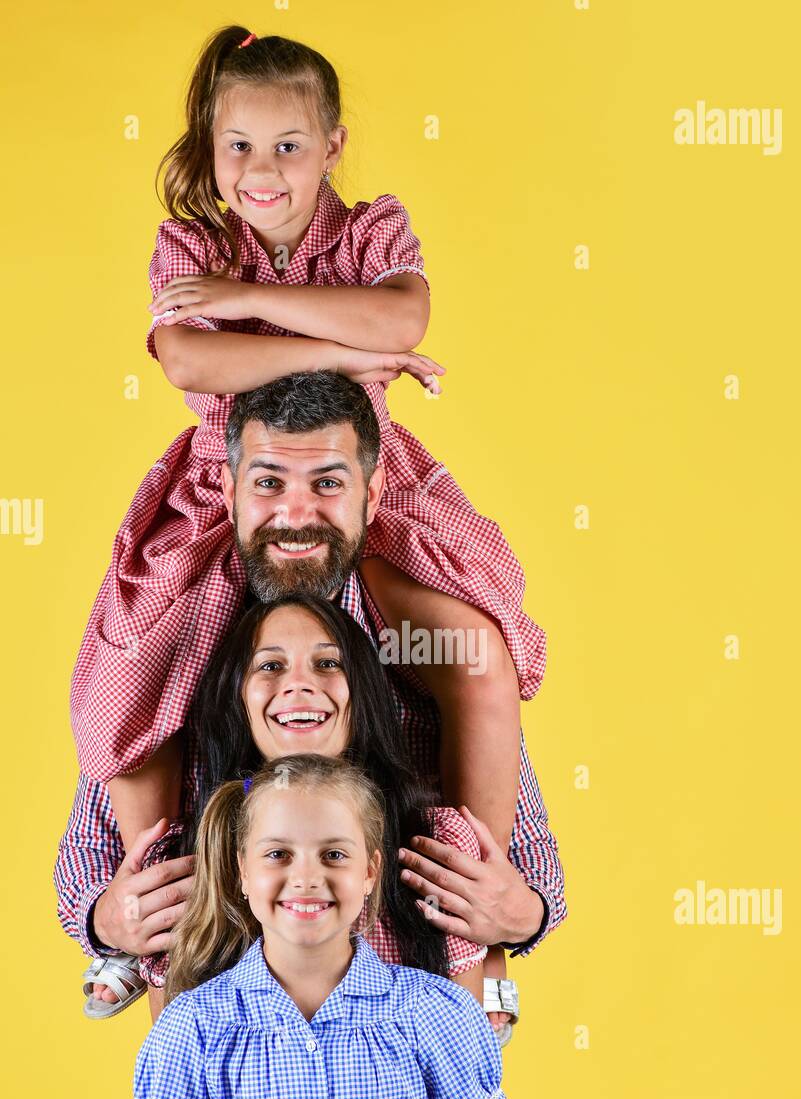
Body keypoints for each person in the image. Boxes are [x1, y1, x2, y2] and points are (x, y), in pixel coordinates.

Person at [70, 26, 546, 1004]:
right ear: (209, 143)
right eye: (238, 145)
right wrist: (342, 359)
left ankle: (474, 943)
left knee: (480, 650)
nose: (261, 169)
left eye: (288, 145)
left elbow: (399, 322)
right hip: (211, 494)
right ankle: (141, 935)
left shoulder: (365, 233)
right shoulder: (192, 244)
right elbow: (193, 363)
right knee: (131, 665)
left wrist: (520, 913)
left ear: (331, 143)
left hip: (380, 497)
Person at [57, 594, 563, 1099]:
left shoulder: (427, 849)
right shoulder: (191, 868)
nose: (299, 683)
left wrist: (520, 917)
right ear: (238, 867)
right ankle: (119, 969)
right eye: (270, 666)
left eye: (328, 663)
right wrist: (103, 921)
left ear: (370, 868)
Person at [60, 372, 565, 1033]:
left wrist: (514, 918)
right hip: (235, 1062)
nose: (296, 515)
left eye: (327, 484)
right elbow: (90, 849)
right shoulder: (179, 648)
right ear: (228, 492)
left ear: (372, 493)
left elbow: (529, 862)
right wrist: (110, 918)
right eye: (269, 483)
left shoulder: (423, 651)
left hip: (403, 1050)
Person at [135, 755, 524, 1099]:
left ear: (369, 871)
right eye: (278, 854)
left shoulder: (432, 1012)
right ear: (243, 871)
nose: (307, 877)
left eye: (334, 854)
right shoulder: (196, 1024)